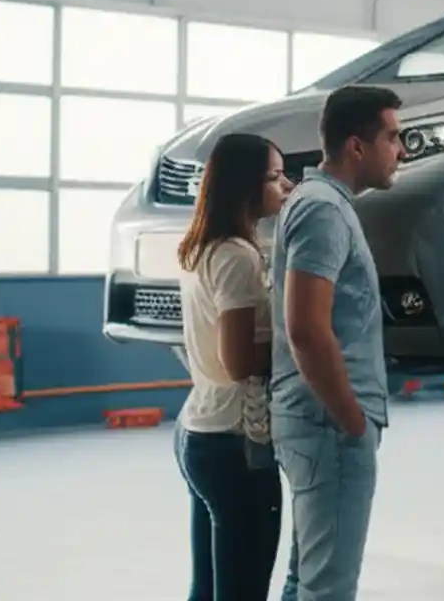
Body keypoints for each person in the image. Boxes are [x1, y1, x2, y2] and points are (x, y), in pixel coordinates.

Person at [270, 84, 405, 601]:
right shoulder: (323, 209)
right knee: (328, 587)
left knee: (306, 579)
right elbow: (306, 326)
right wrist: (351, 417)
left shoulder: (323, 204)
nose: (400, 151)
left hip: (320, 421)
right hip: (330, 424)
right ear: (357, 146)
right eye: (392, 137)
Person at [174, 132, 295, 600]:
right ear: (246, 186)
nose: (286, 185)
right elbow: (239, 358)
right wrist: (303, 344)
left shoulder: (200, 249)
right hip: (235, 443)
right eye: (275, 175)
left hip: (198, 431)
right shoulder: (237, 258)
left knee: (207, 589)